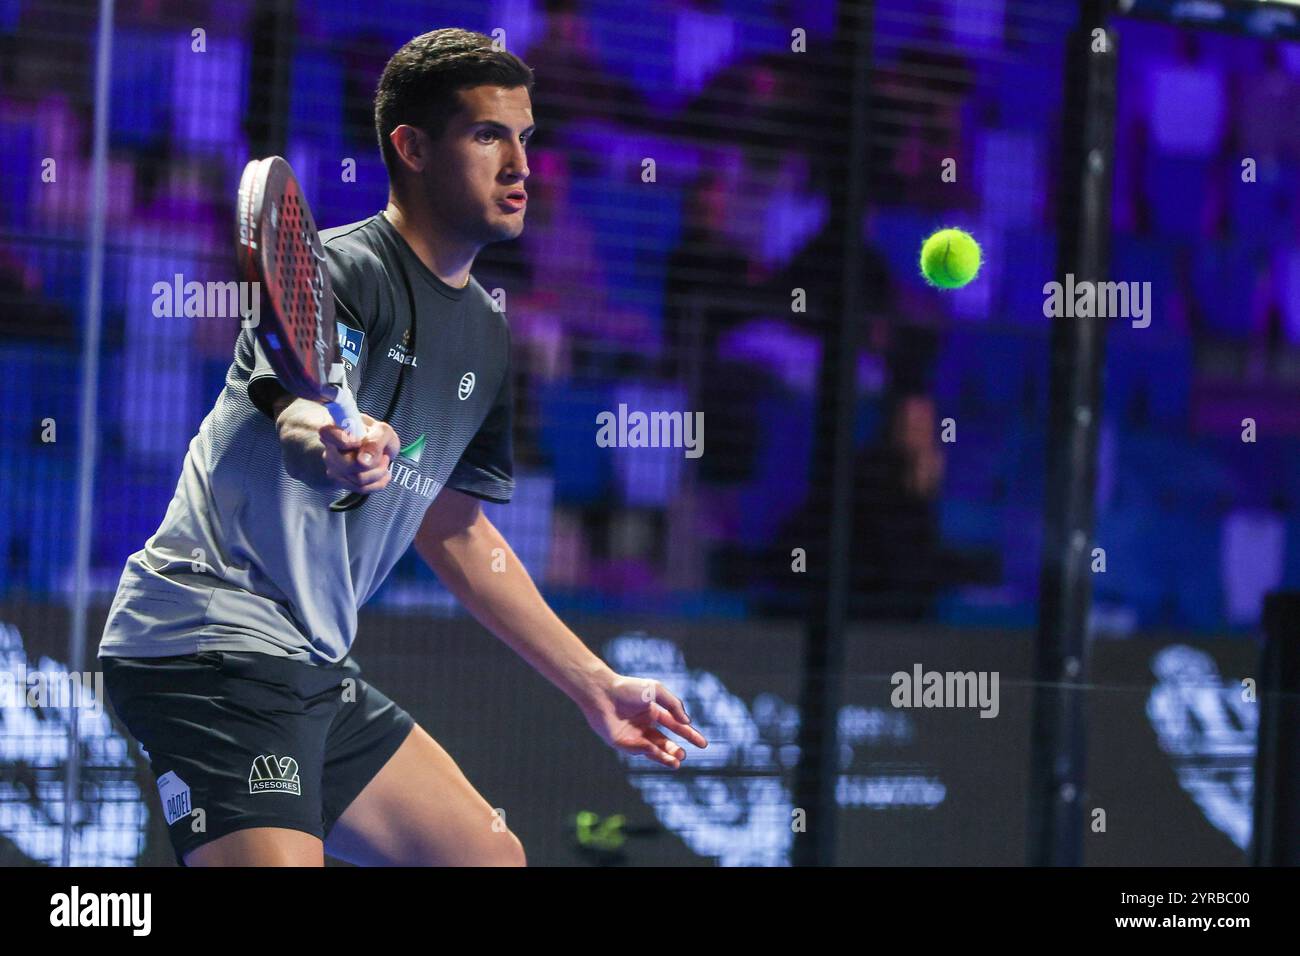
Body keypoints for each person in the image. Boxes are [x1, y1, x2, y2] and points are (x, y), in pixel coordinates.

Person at [97, 28, 706, 868]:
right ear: (412, 148)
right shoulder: (339, 273)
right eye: (489, 134)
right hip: (208, 643)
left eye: (526, 137)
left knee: (488, 859)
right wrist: (338, 448)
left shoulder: (489, 336)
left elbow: (456, 530)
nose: (521, 165)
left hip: (312, 660)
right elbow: (295, 417)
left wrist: (596, 684)